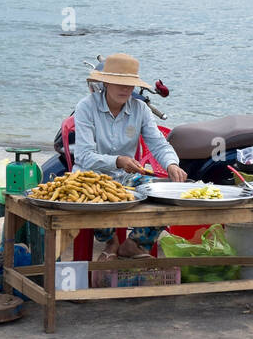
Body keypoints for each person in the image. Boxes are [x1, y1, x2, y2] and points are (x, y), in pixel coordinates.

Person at [71, 53, 187, 257]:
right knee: (97, 198)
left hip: (126, 178)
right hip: (91, 177)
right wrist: (117, 161)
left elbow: (159, 144)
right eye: (119, 83)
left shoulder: (140, 109)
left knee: (168, 193)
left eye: (130, 84)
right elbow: (84, 156)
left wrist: (172, 164)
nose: (125, 89)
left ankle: (135, 243)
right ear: (106, 82)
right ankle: (111, 241)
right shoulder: (86, 107)